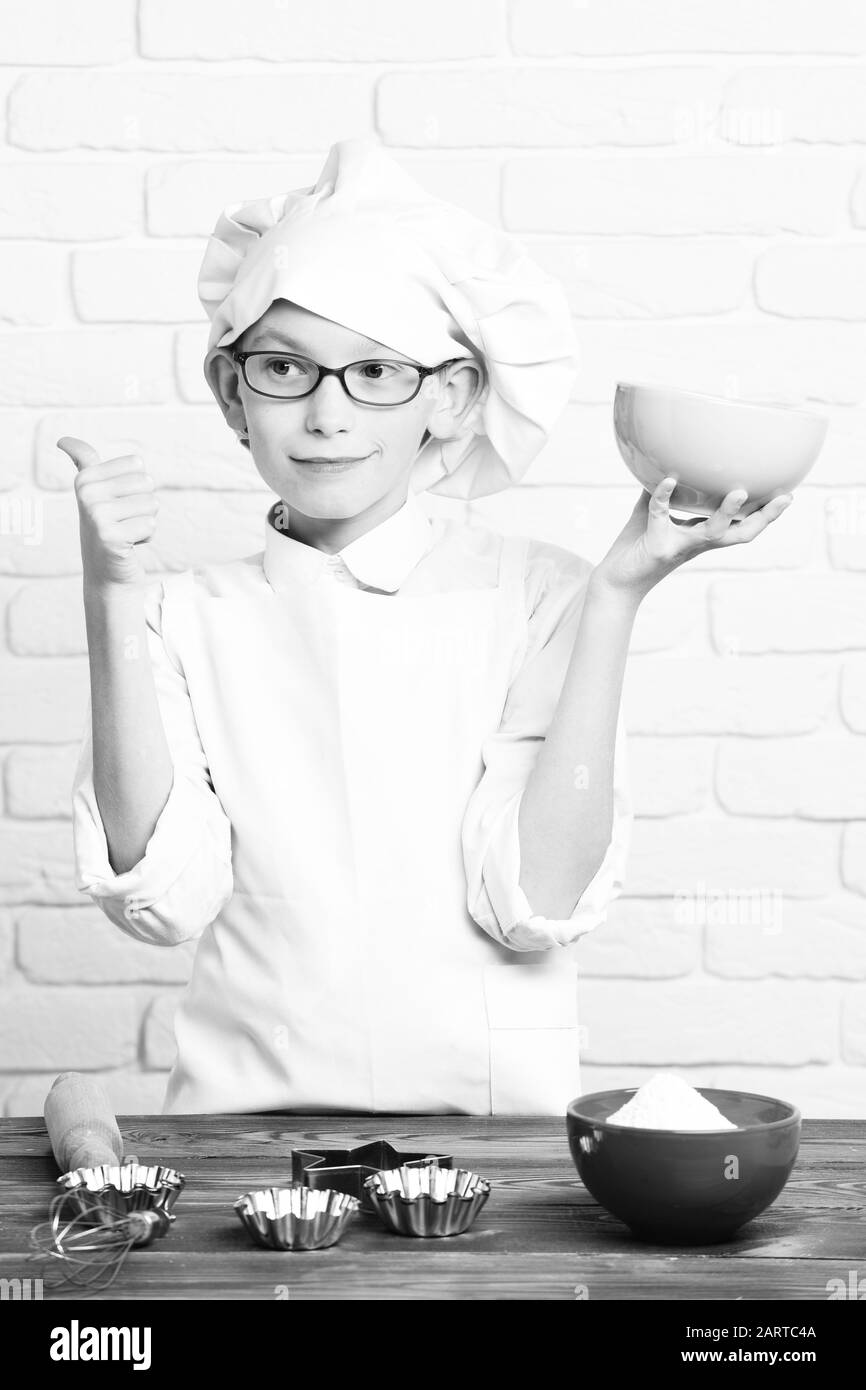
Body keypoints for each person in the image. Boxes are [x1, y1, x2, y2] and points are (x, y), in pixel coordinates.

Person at [64, 138, 793, 1116]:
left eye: (375, 372)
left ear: (447, 398)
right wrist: (110, 595)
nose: (327, 414)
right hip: (237, 1142)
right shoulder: (177, 614)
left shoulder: (539, 596)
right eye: (284, 368)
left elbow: (534, 899)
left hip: (494, 1150)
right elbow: (165, 901)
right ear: (234, 392)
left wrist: (614, 594)